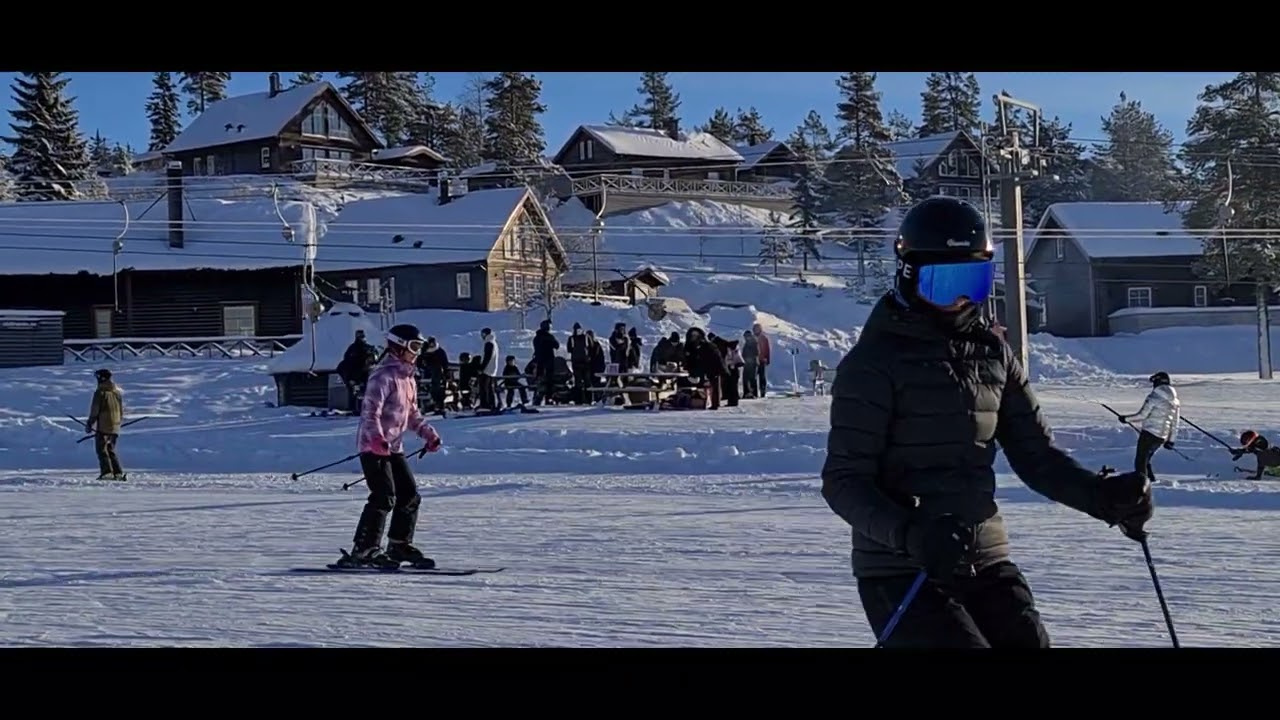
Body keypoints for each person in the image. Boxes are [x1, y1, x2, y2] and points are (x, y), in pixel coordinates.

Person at [819, 196, 1155, 649]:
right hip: (902, 566)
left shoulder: (993, 354)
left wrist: (1102, 498)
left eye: (973, 282)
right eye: (944, 283)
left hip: (984, 555)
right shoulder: (873, 364)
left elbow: (1037, 457)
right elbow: (843, 480)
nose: (960, 299)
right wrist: (911, 533)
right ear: (909, 275)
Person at [338, 323, 443, 569]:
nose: (417, 352)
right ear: (398, 348)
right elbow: (369, 413)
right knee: (384, 496)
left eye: (419, 347)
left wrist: (428, 434)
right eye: (413, 347)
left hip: (393, 447)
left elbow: (412, 414)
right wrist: (376, 439)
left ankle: (398, 544)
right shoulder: (382, 376)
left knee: (409, 494)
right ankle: (364, 549)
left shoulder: (408, 379)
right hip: (372, 446)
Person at [1117, 372, 1180, 483]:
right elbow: (1175, 422)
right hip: (1162, 436)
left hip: (1149, 433)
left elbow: (1142, 415)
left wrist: (1125, 419)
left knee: (1141, 461)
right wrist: (1171, 440)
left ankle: (1141, 485)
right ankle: (1151, 479)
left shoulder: (1154, 397)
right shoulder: (1175, 401)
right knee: (1147, 459)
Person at [86, 368, 127, 481]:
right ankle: (117, 472)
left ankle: (107, 472)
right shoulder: (117, 393)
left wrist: (90, 423)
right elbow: (121, 411)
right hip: (115, 427)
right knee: (111, 449)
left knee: (101, 449)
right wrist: (117, 424)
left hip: (103, 427)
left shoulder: (100, 393)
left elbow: (95, 410)